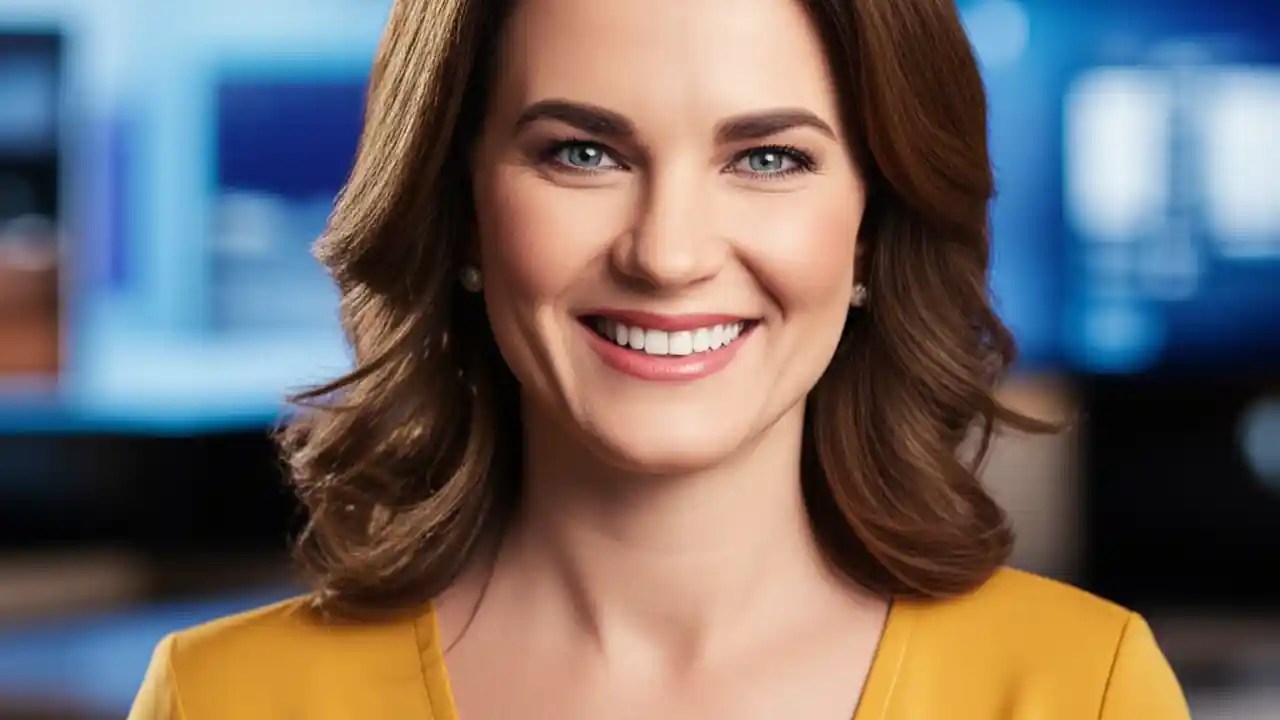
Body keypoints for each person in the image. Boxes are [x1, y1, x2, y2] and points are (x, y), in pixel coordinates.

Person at [128, 0, 1192, 717]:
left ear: (872, 224)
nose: (667, 254)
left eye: (767, 158)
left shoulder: (1075, 689)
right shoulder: (223, 696)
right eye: (581, 153)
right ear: (457, 214)